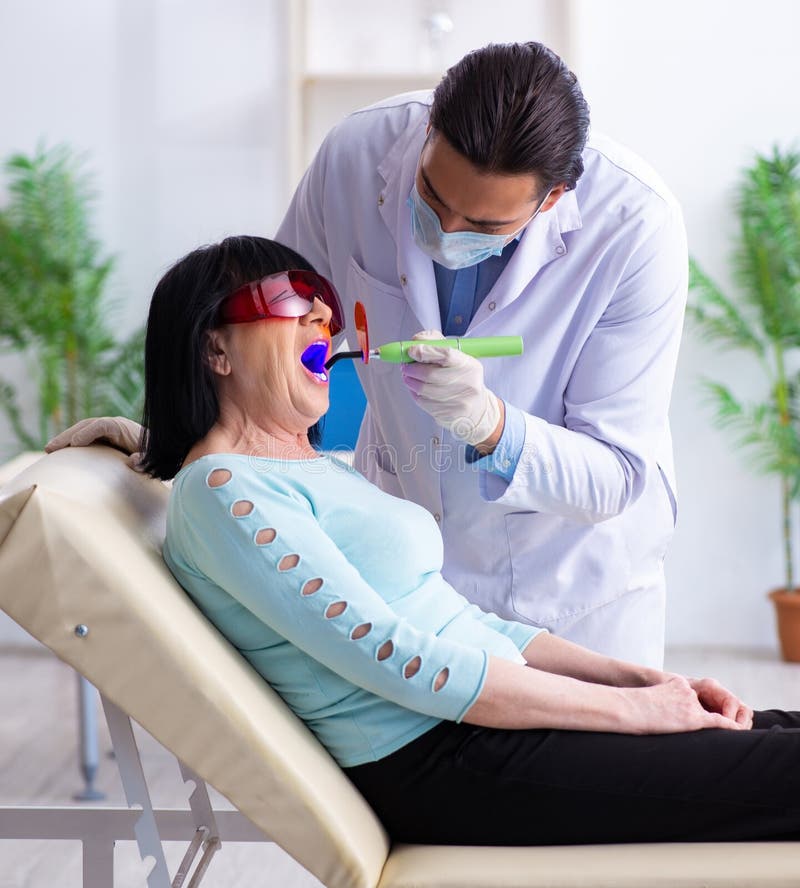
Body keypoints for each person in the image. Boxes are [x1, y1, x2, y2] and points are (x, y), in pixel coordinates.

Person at [137, 234, 800, 847]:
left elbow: (468, 624)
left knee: (775, 733)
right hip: (448, 758)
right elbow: (399, 660)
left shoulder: (302, 470)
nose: (321, 318)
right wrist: (637, 713)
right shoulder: (223, 490)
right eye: (288, 300)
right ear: (213, 348)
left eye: (323, 302)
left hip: (486, 728)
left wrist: (649, 683)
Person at [275, 41, 688, 669]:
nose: (446, 234)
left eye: (485, 227)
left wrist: (493, 427)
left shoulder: (635, 227)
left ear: (550, 201)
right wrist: (174, 427)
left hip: (565, 594)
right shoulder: (356, 155)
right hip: (401, 570)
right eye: (432, 200)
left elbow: (616, 476)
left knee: (576, 764)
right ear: (428, 132)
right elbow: (273, 323)